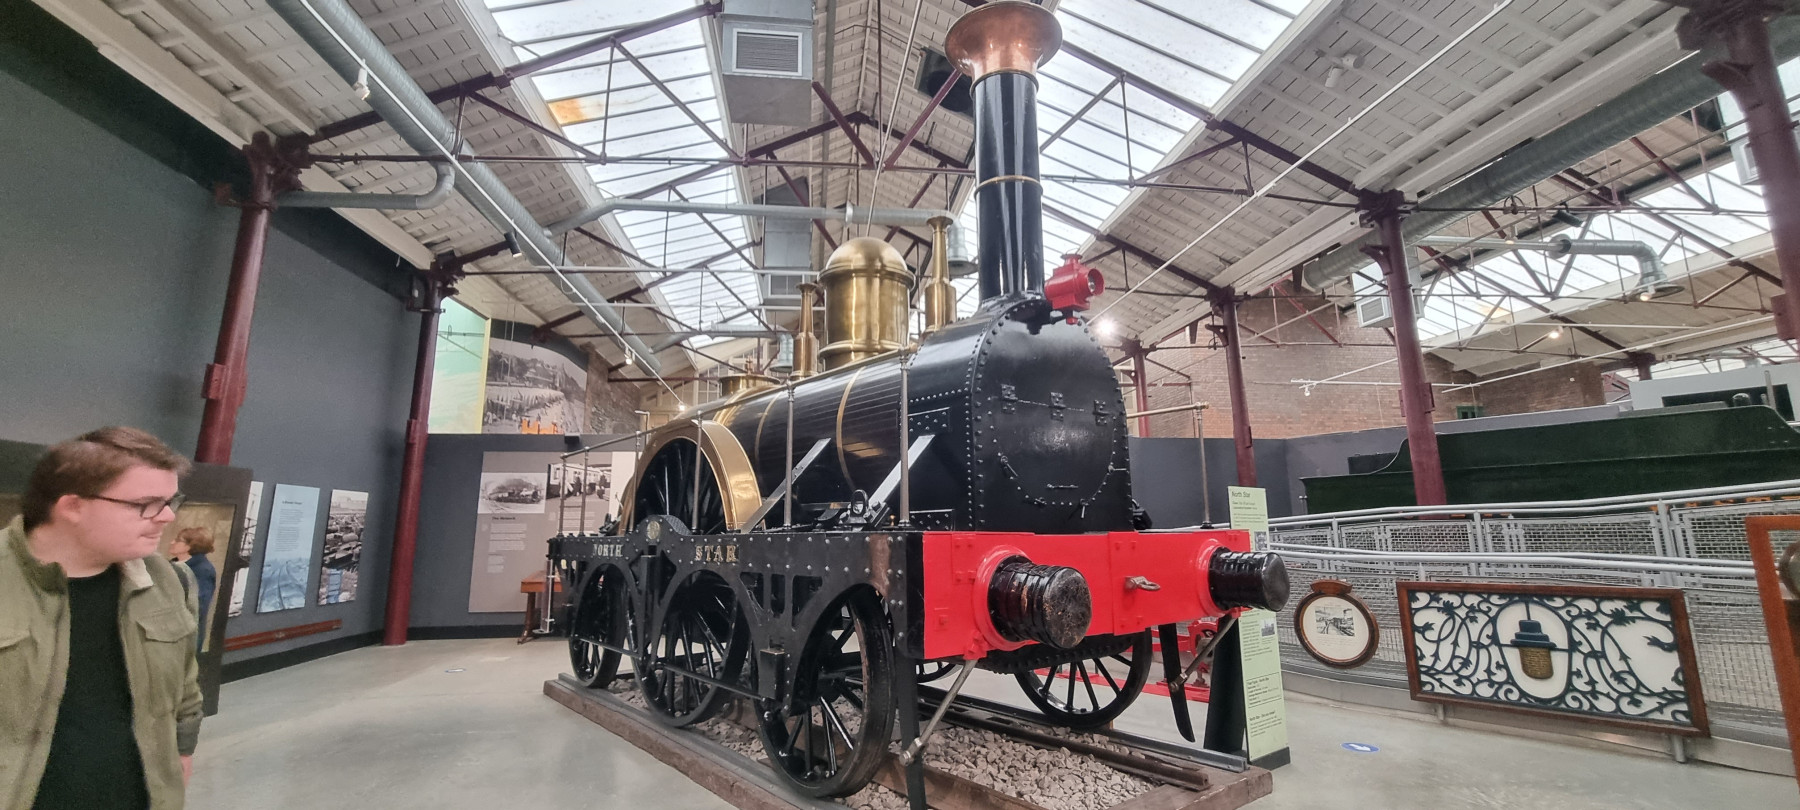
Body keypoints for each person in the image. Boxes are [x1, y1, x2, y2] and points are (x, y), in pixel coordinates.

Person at [1, 427, 203, 809]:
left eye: (171, 501)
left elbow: (185, 694)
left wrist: (180, 758)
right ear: (72, 506)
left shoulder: (170, 581)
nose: (165, 518)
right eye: (146, 503)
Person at [168, 527, 217, 653]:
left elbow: (197, 606)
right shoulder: (171, 566)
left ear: (190, 546)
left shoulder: (203, 570)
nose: (172, 542)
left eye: (178, 540)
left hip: (183, 635)